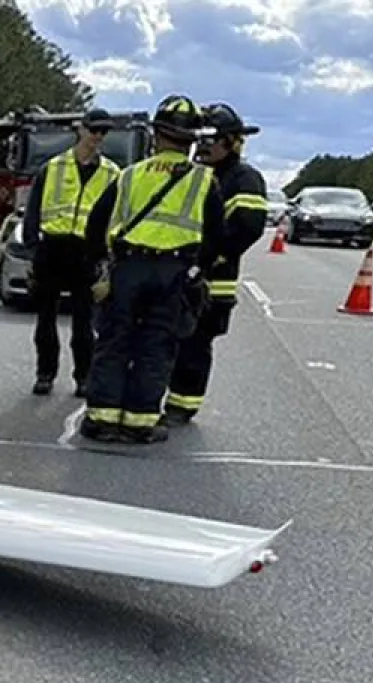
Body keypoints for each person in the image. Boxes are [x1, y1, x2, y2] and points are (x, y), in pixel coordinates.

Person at [77, 95, 225, 444]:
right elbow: (216, 237)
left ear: (156, 136)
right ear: (191, 142)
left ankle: (101, 419)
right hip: (174, 272)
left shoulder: (129, 175)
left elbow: (96, 224)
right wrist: (197, 270)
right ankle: (140, 421)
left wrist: (100, 266)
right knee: (157, 346)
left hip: (128, 268)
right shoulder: (204, 181)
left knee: (114, 341)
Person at [163, 102, 267, 424]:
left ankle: (182, 406)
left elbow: (247, 227)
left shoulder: (243, 178)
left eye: (213, 140)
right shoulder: (194, 173)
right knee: (168, 340)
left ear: (232, 142)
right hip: (179, 275)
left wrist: (207, 258)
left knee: (194, 346)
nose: (205, 147)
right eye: (202, 140)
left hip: (212, 281)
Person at [21, 107, 121, 396]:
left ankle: (83, 377)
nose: (98, 136)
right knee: (46, 319)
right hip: (53, 248)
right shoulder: (53, 167)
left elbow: (116, 217)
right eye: (94, 130)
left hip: (86, 251)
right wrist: (33, 249)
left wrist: (106, 257)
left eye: (104, 132)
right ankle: (45, 373)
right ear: (81, 129)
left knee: (83, 322)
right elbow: (33, 210)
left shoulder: (112, 173)